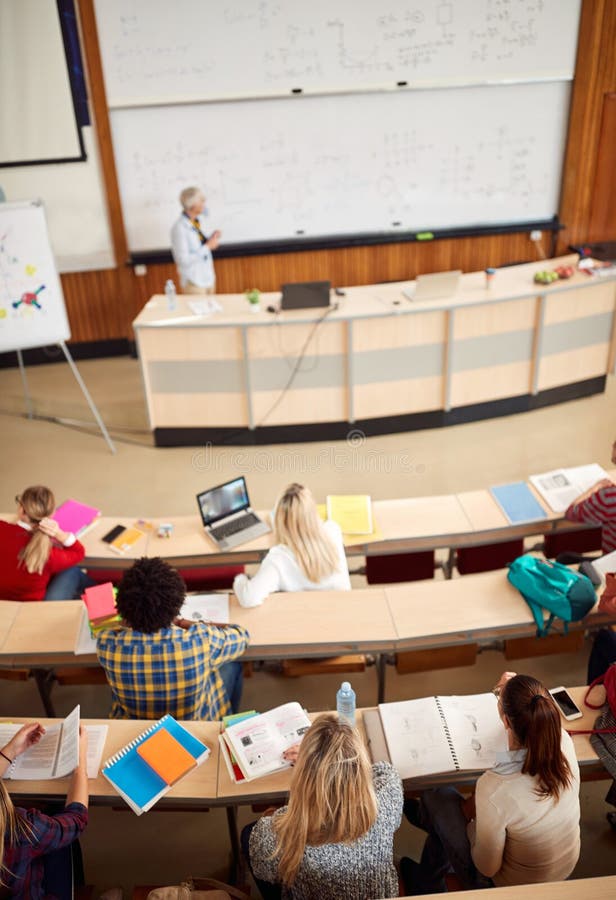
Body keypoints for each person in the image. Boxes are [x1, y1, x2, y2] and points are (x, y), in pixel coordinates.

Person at [400, 672, 580, 894]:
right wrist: (515, 686)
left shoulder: (495, 788)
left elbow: (486, 867)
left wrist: (473, 823)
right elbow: (530, 715)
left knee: (435, 795)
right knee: (450, 818)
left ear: (505, 721)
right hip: (563, 869)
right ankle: (426, 877)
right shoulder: (563, 741)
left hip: (510, 887)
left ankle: (428, 842)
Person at [243, 713, 403, 900]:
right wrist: (339, 767)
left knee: (247, 833)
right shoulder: (387, 798)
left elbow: (263, 871)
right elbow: (385, 770)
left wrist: (314, 762)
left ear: (303, 776)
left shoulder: (277, 835)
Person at [96, 557, 249, 720]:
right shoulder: (201, 639)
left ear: (122, 605)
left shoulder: (106, 643)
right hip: (196, 726)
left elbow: (115, 628)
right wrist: (186, 623)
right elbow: (242, 635)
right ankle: (230, 721)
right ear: (177, 604)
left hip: (136, 729)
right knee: (232, 664)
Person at [0, 721, 89, 898]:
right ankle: (80, 891)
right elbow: (76, 819)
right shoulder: (23, 830)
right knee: (58, 824)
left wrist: (8, 752)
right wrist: (80, 764)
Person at [233, 483, 351, 608]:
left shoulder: (278, 558)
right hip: (340, 611)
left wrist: (240, 579)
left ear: (280, 522)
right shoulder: (333, 530)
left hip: (301, 619)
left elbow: (249, 599)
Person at [0, 486, 92, 601]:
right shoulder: (50, 555)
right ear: (52, 515)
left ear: (22, 510)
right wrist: (59, 534)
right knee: (72, 570)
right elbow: (79, 553)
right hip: (33, 610)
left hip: (5, 607)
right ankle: (107, 601)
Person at [170, 186, 221, 294]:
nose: (204, 203)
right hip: (194, 281)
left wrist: (211, 240)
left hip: (208, 278)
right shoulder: (179, 228)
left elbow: (200, 245)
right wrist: (208, 246)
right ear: (192, 204)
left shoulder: (196, 222)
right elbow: (183, 260)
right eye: (201, 200)